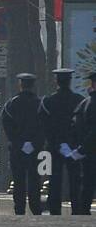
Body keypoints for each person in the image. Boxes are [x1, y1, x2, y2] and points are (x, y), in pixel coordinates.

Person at [40, 68, 84, 215]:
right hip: (74, 147)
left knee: (54, 178)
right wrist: (74, 143)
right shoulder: (79, 100)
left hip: (54, 146)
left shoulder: (48, 101)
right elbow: (82, 125)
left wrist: (56, 142)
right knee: (75, 179)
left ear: (56, 81)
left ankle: (54, 209)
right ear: (70, 81)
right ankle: (76, 208)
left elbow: (44, 125)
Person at [2, 72, 45, 216]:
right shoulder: (40, 103)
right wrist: (34, 143)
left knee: (18, 180)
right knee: (34, 179)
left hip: (17, 149)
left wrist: (19, 143)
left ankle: (19, 208)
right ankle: (35, 207)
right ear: (33, 86)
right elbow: (44, 126)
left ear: (20, 85)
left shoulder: (11, 103)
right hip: (35, 149)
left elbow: (7, 126)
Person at [69, 70, 95, 215]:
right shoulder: (86, 102)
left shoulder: (86, 103)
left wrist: (80, 149)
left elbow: (76, 127)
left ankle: (84, 212)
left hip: (89, 153)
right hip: (88, 150)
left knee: (88, 184)